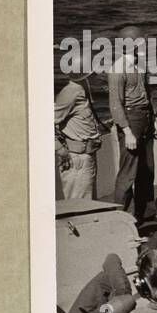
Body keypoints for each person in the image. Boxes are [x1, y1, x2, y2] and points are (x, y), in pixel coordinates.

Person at [107, 25, 157, 228]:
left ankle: (146, 211)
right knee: (128, 170)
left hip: (145, 117)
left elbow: (147, 94)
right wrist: (127, 131)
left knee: (147, 168)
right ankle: (120, 219)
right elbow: (115, 104)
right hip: (131, 119)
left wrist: (153, 119)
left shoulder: (140, 65)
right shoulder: (117, 70)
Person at [53, 48, 104, 201]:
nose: (96, 74)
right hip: (78, 159)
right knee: (81, 207)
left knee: (88, 205)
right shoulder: (71, 92)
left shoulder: (80, 89)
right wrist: (59, 149)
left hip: (86, 155)